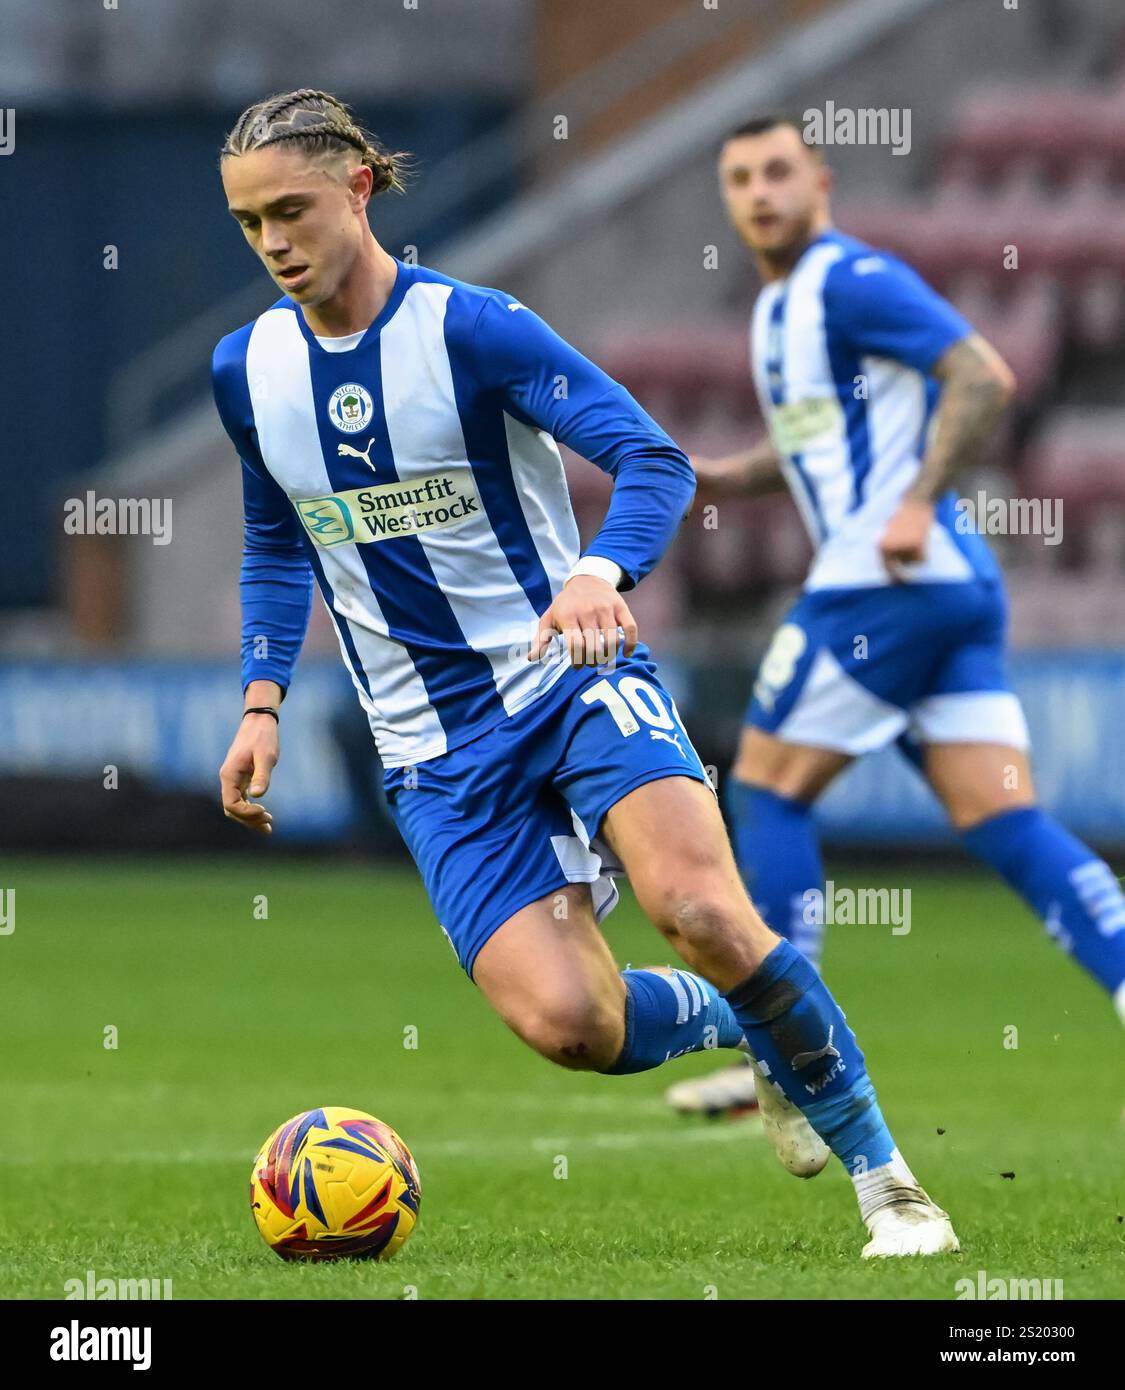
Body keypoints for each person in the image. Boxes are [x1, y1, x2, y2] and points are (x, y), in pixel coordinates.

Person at [212, 88, 958, 1256]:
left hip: (568, 675)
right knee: (574, 1025)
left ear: (359, 188)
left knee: (704, 908)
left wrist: (602, 571)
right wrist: (262, 700)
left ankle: (890, 1185)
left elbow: (650, 458)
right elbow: (274, 537)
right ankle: (750, 1020)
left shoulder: (474, 330)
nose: (273, 244)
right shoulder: (244, 370)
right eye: (250, 223)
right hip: (431, 750)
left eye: (292, 210)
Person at [669, 114, 1125, 1119]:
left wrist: (916, 499)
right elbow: (803, 453)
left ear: (819, 180)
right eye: (739, 175)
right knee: (1004, 819)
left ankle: (785, 1054)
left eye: (778, 171)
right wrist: (705, 473)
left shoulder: (847, 278)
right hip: (949, 594)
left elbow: (981, 373)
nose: (758, 191)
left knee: (765, 786)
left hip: (885, 584)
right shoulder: (778, 310)